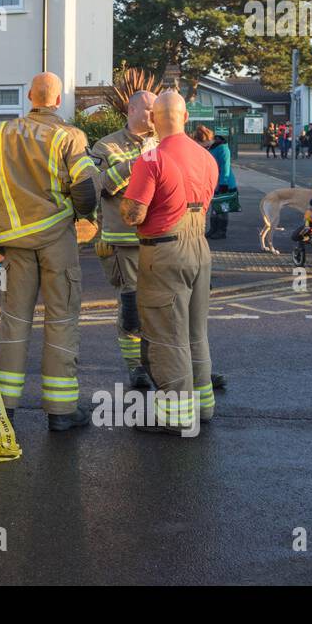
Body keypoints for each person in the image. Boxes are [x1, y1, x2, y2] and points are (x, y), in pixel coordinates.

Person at [0, 72, 100, 431]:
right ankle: (62, 413)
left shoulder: (0, 133)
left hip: (15, 245)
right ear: (58, 100)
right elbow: (86, 185)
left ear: (30, 95)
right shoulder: (68, 136)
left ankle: (3, 412)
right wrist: (81, 215)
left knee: (14, 324)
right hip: (56, 241)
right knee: (61, 320)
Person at [121, 91, 220, 435]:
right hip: (199, 249)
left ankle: (176, 415)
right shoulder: (207, 157)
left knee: (166, 336)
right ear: (186, 116)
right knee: (195, 331)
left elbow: (134, 213)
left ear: (152, 120)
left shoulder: (151, 158)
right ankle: (203, 404)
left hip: (164, 252)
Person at [90, 90, 158, 391]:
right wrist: (140, 163)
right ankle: (136, 368)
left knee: (167, 306)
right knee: (132, 308)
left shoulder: (162, 140)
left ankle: (175, 365)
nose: (154, 114)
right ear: (131, 110)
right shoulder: (107, 145)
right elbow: (101, 186)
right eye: (148, 109)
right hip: (124, 242)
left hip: (160, 238)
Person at [193, 124, 236, 239]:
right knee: (215, 207)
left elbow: (225, 167)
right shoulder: (209, 148)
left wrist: (223, 184)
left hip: (224, 183)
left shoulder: (222, 148)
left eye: (199, 143)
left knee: (222, 208)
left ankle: (221, 231)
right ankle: (213, 229)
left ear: (205, 140)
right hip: (214, 183)